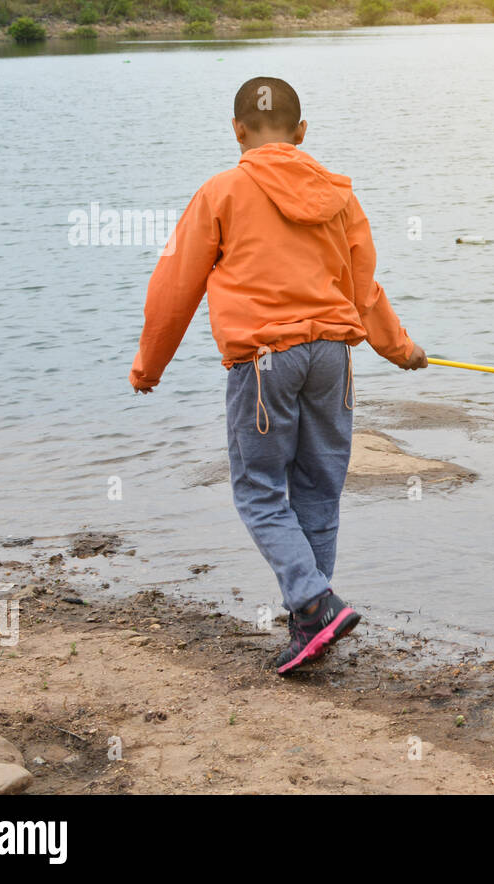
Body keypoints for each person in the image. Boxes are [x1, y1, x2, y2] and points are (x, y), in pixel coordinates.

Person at [128, 76, 427, 674]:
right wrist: (400, 348)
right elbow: (361, 287)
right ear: (301, 132)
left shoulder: (222, 192)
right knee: (318, 490)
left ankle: (313, 604)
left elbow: (174, 288)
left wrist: (149, 366)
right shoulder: (339, 196)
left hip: (265, 359)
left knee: (260, 491)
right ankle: (310, 625)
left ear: (238, 131)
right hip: (330, 357)